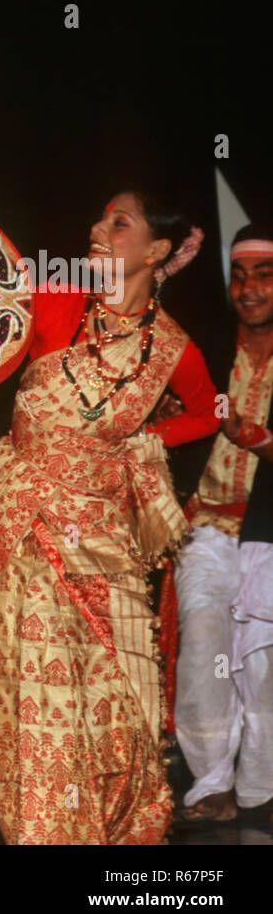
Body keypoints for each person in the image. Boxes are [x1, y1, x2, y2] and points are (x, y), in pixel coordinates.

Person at [0, 190, 220, 844]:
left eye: (119, 223)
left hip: (105, 533)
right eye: (100, 218)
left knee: (114, 685)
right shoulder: (55, 299)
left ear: (157, 249)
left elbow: (207, 412)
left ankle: (121, 836)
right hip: (24, 517)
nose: (96, 228)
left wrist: (145, 442)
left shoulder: (171, 349)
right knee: (38, 684)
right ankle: (45, 830)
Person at [173, 222, 273, 823]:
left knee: (265, 660)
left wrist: (258, 440)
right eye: (239, 277)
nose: (249, 289)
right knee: (204, 641)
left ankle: (262, 790)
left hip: (270, 533)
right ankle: (212, 786)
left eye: (264, 275)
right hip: (206, 527)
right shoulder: (207, 349)